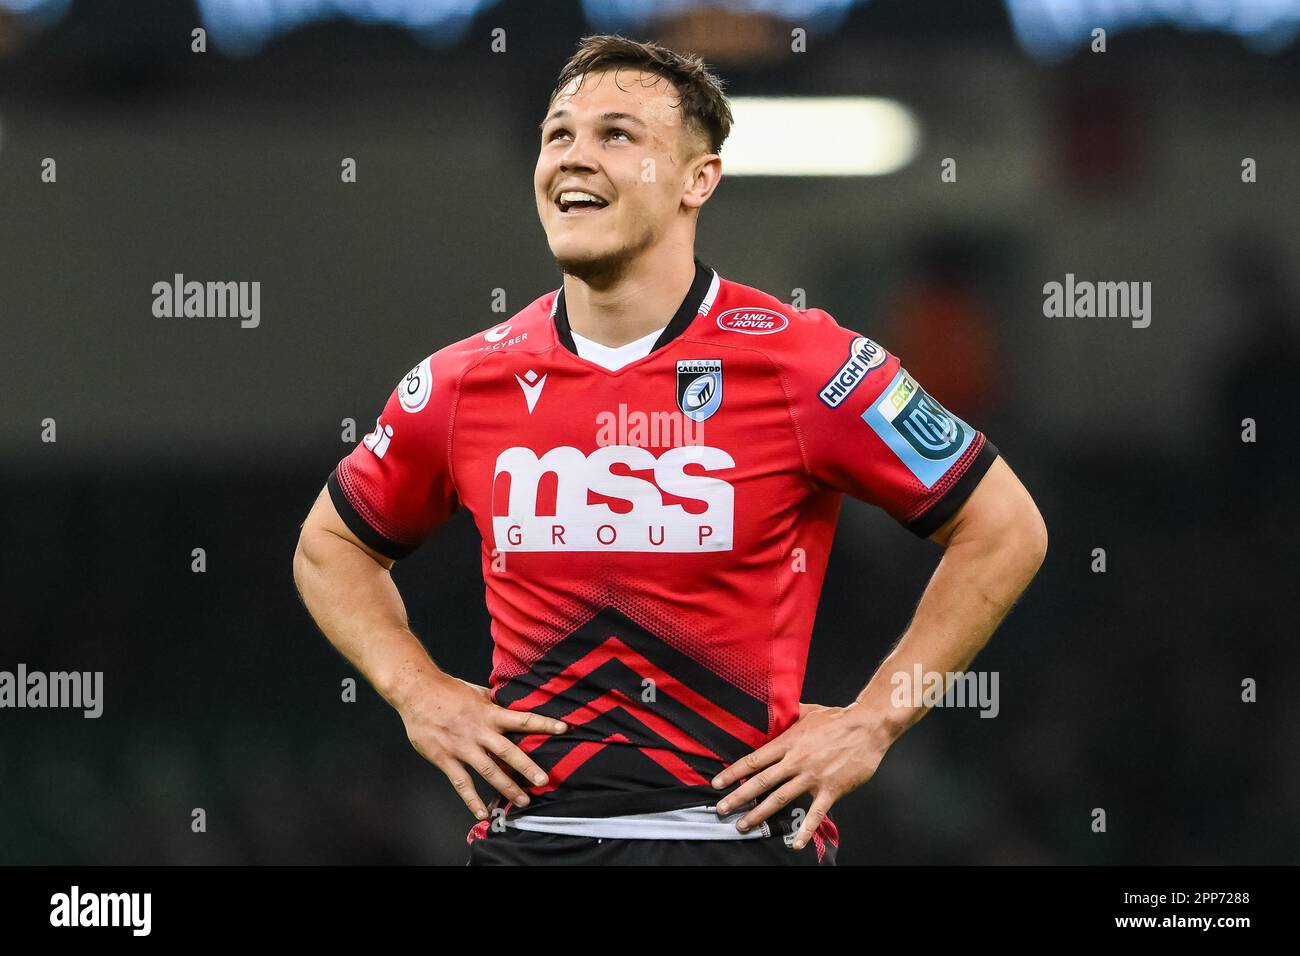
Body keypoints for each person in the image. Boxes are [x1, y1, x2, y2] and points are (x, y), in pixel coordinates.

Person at [292, 34, 1048, 865]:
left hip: (739, 842)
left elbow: (1005, 527)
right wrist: (420, 694)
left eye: (617, 135)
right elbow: (331, 547)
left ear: (699, 180)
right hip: (534, 843)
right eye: (558, 135)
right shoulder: (462, 382)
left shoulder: (807, 364)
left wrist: (875, 720)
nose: (575, 158)